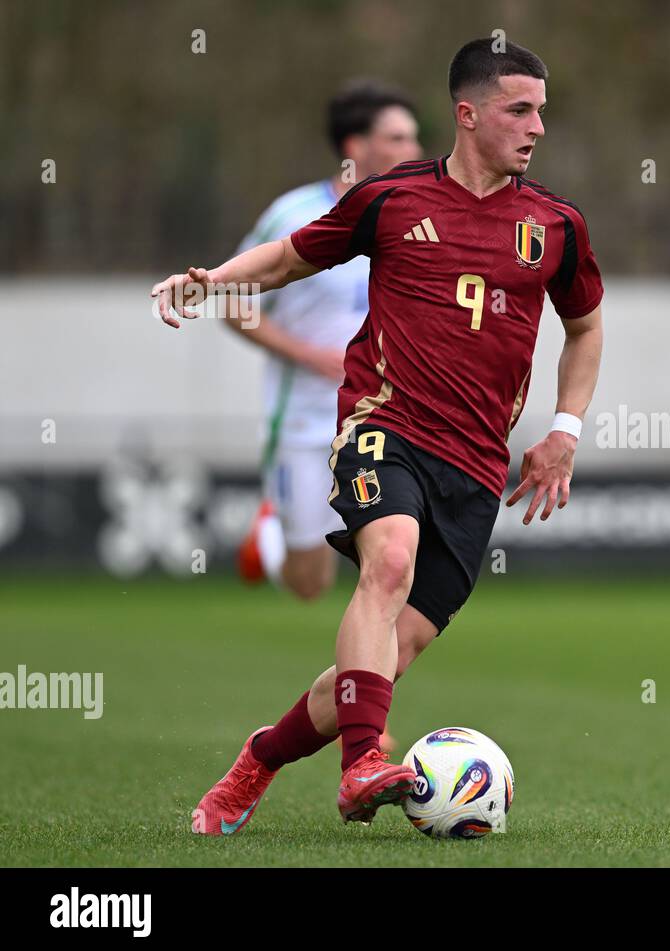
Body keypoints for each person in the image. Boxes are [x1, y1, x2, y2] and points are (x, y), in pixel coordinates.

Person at [154, 38, 605, 834]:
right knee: (387, 556)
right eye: (519, 110)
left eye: (542, 110)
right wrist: (212, 280)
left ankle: (258, 758)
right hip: (382, 425)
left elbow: (586, 325)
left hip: (475, 470)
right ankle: (363, 763)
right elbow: (292, 259)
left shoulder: (556, 224)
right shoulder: (392, 199)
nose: (538, 127)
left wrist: (564, 428)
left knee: (378, 667)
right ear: (468, 114)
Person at [227, 81, 421, 603]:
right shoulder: (294, 215)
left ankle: (368, 672)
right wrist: (310, 356)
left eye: (414, 138)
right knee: (309, 584)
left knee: (394, 559)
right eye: (398, 138)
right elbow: (234, 305)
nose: (414, 151)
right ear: (356, 148)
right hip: (306, 421)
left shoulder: (421, 217)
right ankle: (271, 536)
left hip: (385, 420)